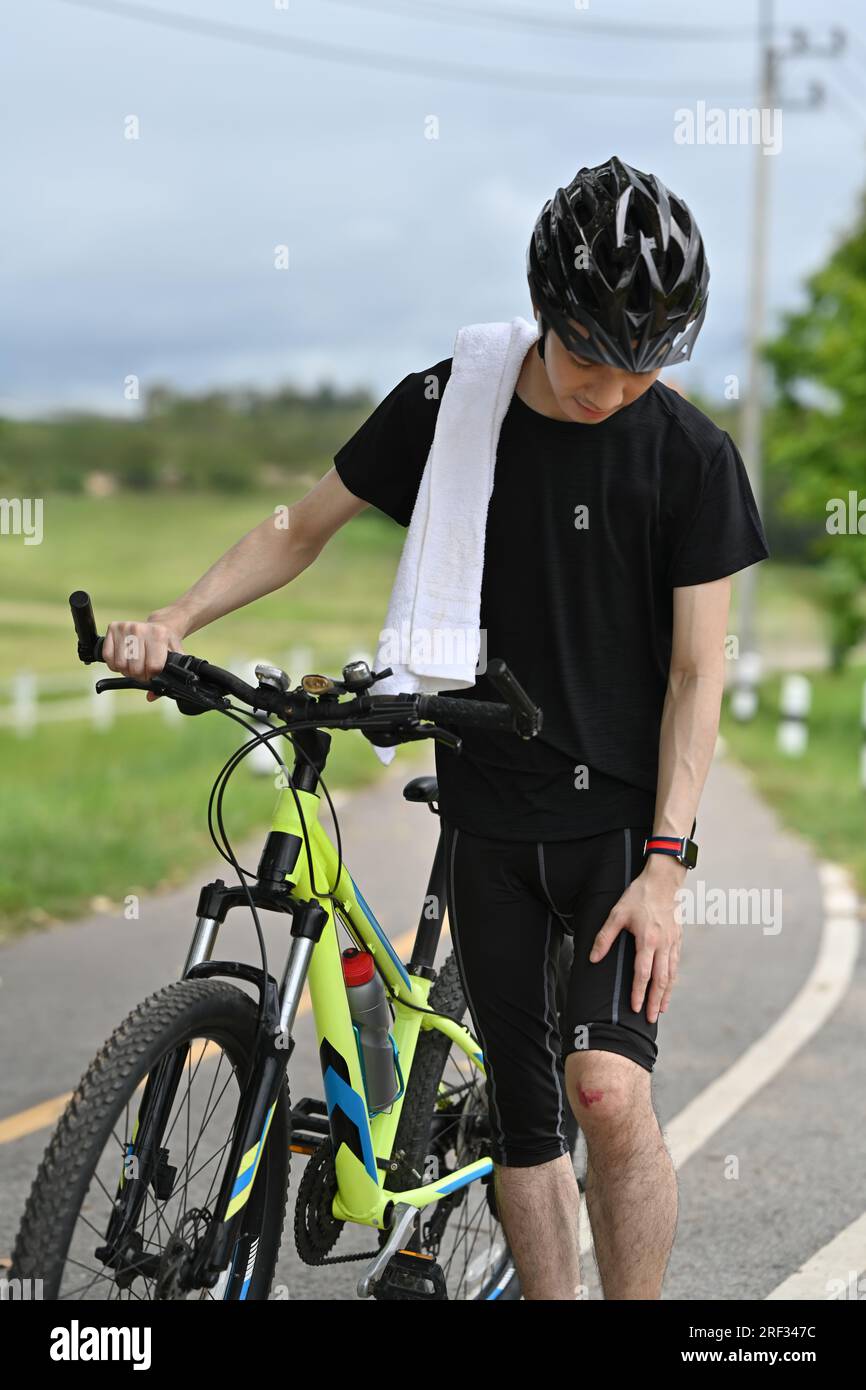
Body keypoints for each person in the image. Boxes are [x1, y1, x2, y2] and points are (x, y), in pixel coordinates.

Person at [103, 156, 770, 1301]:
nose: (612, 389)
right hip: (484, 807)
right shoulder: (450, 405)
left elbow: (694, 672)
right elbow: (300, 527)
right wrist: (172, 619)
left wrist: (664, 866)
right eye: (591, 358)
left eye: (643, 364)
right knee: (524, 1121)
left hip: (615, 826)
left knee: (605, 1093)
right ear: (546, 314)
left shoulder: (691, 458)